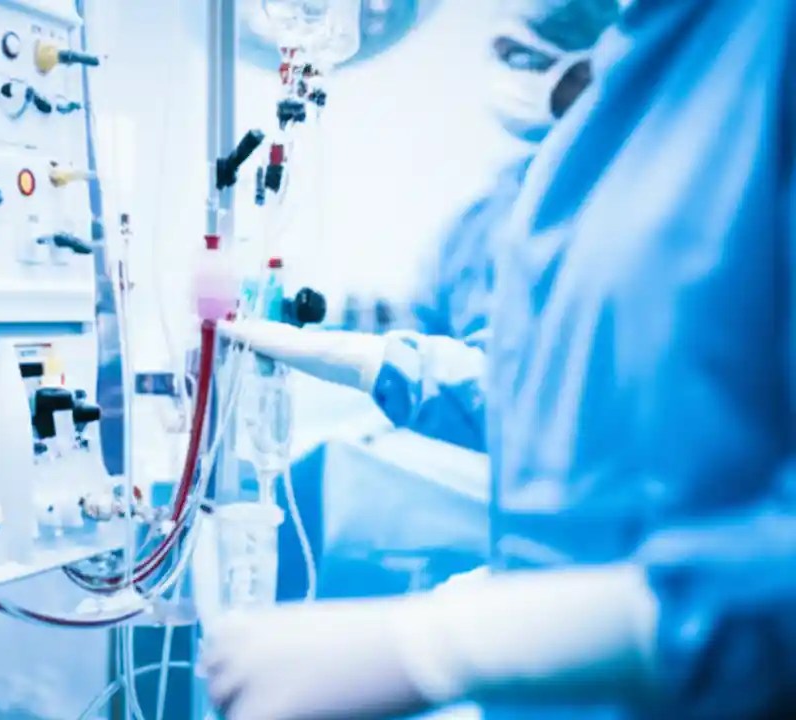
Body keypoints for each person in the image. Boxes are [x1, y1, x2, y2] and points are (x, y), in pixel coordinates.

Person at [204, 0, 796, 718]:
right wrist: (375, 361)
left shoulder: (761, 50)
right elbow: (572, 402)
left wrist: (452, 644)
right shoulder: (629, 90)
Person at [222, 0, 614, 452]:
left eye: (522, 58)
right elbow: (429, 322)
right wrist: (319, 322)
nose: (512, 76)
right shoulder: (493, 210)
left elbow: (549, 395)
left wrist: (378, 363)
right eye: (502, 56)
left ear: (593, 67)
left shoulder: (617, 207)